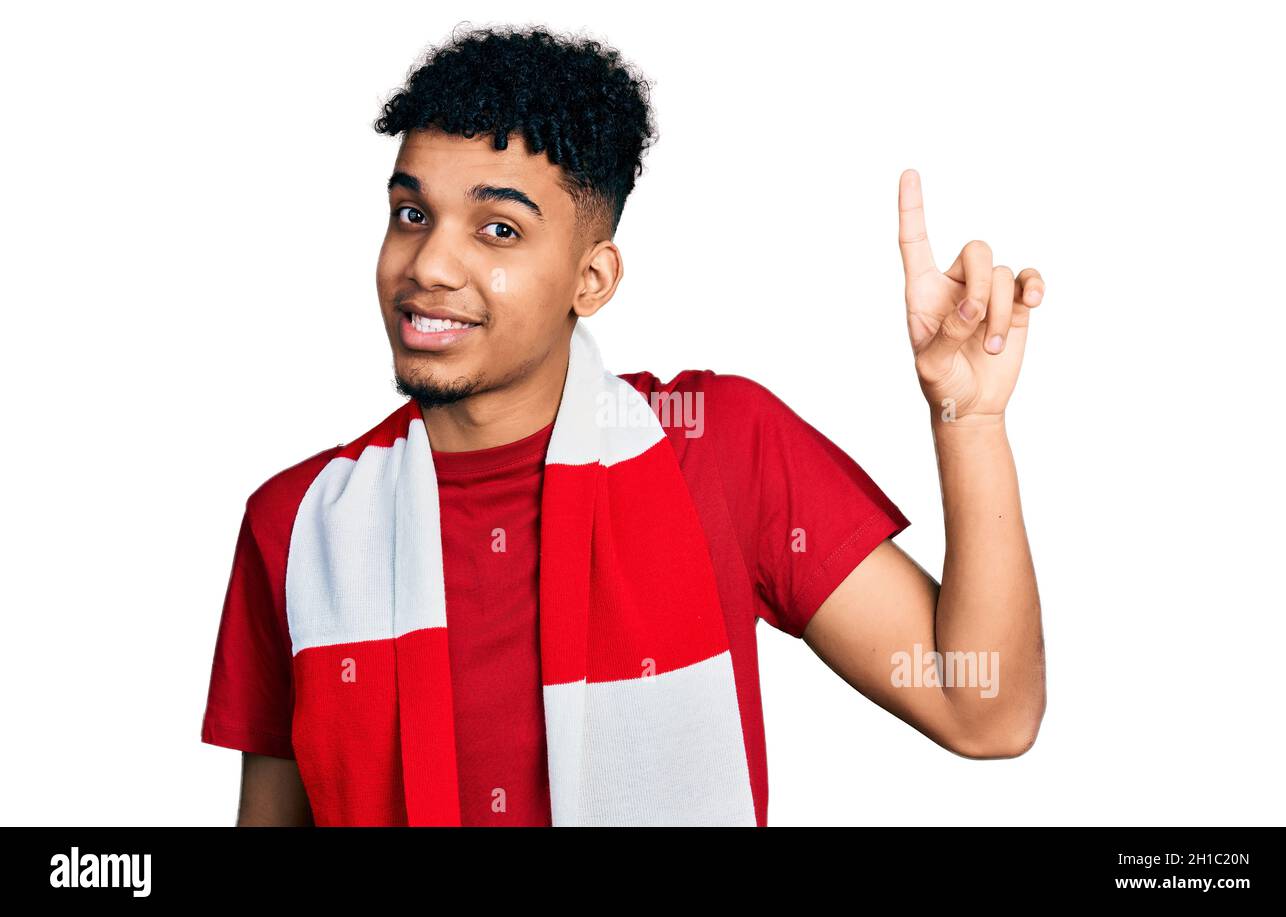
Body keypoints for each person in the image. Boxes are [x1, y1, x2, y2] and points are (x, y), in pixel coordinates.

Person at [200, 23, 1046, 827]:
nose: (430, 265)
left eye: (499, 229)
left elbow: (985, 711)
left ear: (593, 279)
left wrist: (969, 419)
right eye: (411, 214)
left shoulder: (719, 448)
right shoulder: (299, 526)